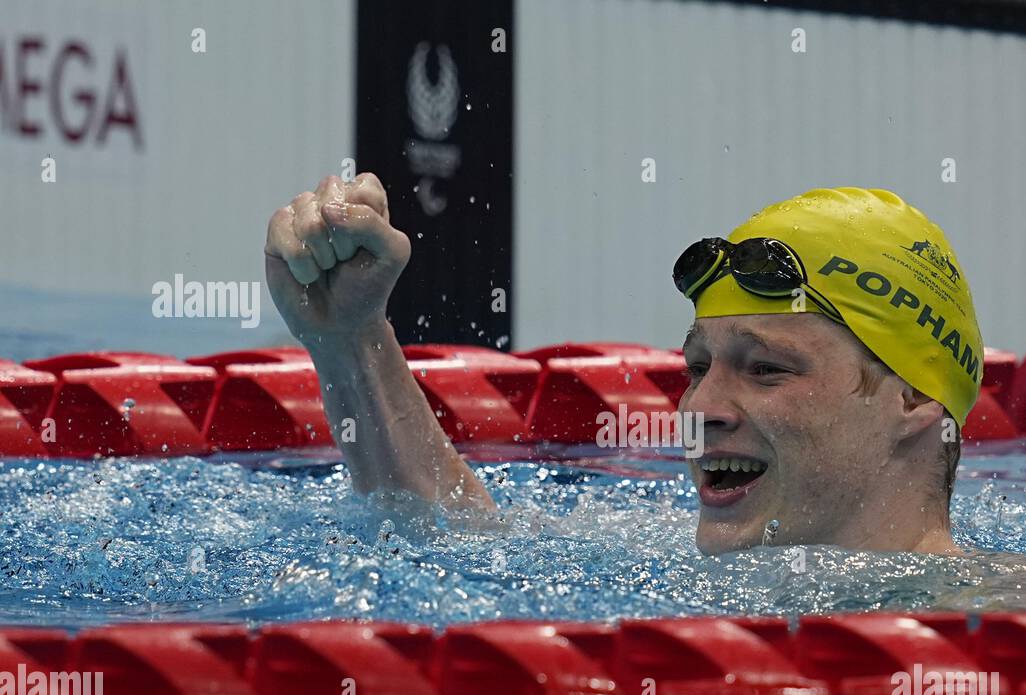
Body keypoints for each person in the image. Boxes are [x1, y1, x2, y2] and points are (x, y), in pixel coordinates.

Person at [265, 179, 983, 557]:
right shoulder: (651, 561)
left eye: (765, 369)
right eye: (696, 368)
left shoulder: (1010, 624)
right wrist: (351, 339)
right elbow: (446, 536)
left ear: (914, 393)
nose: (701, 409)